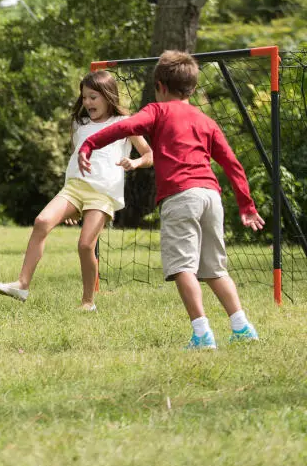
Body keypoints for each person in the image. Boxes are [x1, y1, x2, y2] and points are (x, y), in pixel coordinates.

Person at [77, 50, 265, 349]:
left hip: (182, 196)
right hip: (211, 196)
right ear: (190, 87)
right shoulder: (206, 121)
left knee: (182, 268)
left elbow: (124, 126)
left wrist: (89, 143)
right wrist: (247, 205)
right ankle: (242, 326)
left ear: (160, 86)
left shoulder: (157, 110)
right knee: (215, 268)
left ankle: (202, 334)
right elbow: (232, 164)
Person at [0, 70, 153, 311]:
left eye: (93, 97)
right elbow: (77, 157)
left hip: (102, 193)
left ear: (108, 97)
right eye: (84, 97)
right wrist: (74, 208)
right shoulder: (79, 123)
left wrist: (135, 162)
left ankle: (88, 302)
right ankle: (22, 285)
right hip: (74, 188)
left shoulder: (124, 124)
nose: (87, 102)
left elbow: (150, 155)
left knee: (86, 245)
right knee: (41, 221)